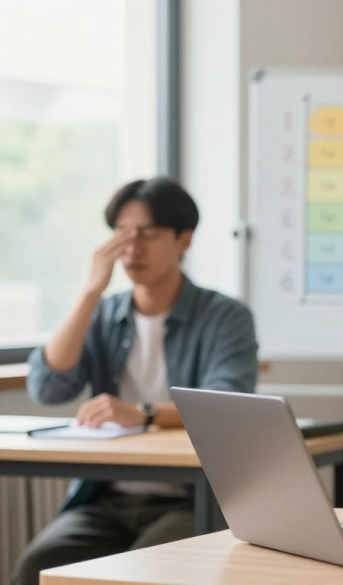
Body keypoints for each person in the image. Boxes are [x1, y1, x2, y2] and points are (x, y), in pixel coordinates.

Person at [13, 177, 259, 585]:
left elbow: (224, 402)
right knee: (36, 567)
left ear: (184, 240)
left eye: (148, 233)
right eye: (121, 233)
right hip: (105, 500)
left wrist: (142, 414)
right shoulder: (103, 313)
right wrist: (90, 292)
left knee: (140, 572)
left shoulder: (225, 316)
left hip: (191, 499)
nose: (131, 247)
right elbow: (47, 387)